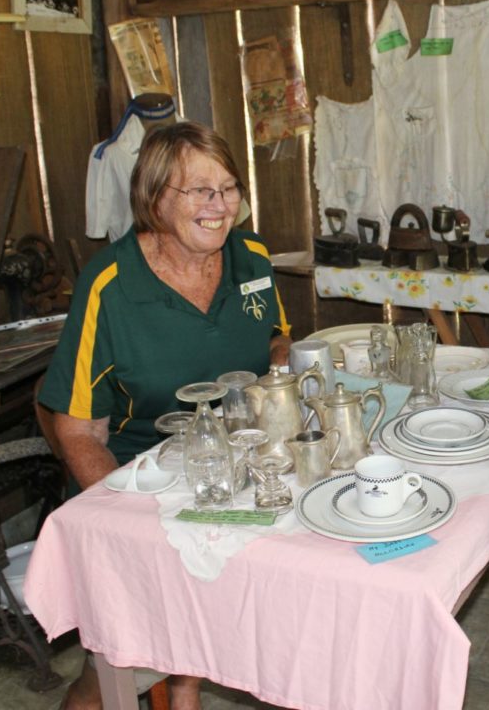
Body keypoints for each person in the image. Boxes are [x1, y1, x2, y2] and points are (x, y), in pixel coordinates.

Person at [38, 121, 292, 710]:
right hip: (141, 486)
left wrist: (282, 368)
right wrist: (138, 528)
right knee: (116, 668)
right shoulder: (109, 285)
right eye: (199, 190)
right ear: (154, 199)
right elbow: (76, 429)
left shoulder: (250, 257)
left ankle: (185, 682)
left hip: (240, 475)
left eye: (228, 188)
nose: (220, 206)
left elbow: (276, 337)